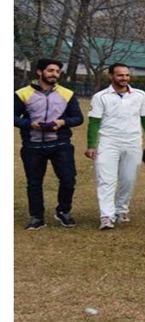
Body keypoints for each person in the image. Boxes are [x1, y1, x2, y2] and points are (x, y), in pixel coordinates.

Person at [85, 63, 145, 230]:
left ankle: (121, 209)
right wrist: (91, 145)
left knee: (128, 179)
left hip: (132, 142)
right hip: (108, 142)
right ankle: (106, 216)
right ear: (111, 76)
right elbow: (94, 122)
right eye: (120, 75)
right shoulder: (100, 97)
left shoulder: (140, 95)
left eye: (126, 75)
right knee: (106, 180)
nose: (124, 78)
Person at [14, 58, 84, 230]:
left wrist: (62, 122)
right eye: (50, 71)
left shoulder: (67, 94)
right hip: (33, 146)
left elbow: (78, 118)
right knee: (34, 183)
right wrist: (29, 124)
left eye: (57, 72)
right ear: (39, 72)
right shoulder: (22, 94)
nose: (54, 74)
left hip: (61, 145)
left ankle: (63, 212)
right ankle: (37, 217)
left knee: (68, 180)